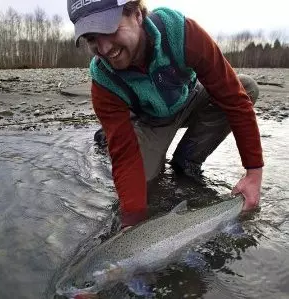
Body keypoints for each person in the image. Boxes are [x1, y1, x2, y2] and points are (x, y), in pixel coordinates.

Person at [67, 0, 263, 228]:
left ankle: (187, 160)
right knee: (143, 184)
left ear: (137, 14)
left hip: (191, 98)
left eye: (109, 29)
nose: (104, 48)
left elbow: (234, 99)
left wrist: (253, 174)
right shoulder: (103, 80)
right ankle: (108, 136)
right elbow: (124, 155)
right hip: (152, 121)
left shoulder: (181, 33)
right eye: (92, 38)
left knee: (246, 88)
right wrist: (131, 223)